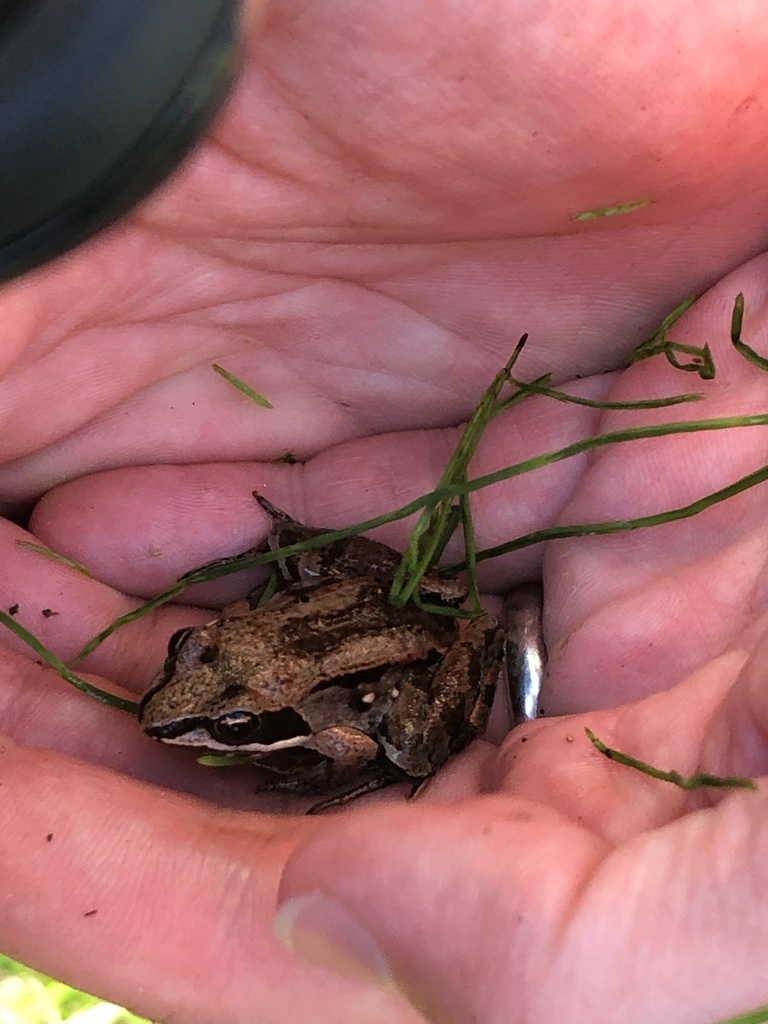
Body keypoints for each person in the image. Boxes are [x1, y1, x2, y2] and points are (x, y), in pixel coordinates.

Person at [2, 2, 768, 1021]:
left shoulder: (319, 712)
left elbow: (359, 742)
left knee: (402, 747)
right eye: (211, 692)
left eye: (233, 725)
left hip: (395, 662)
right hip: (342, 629)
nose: (192, 719)